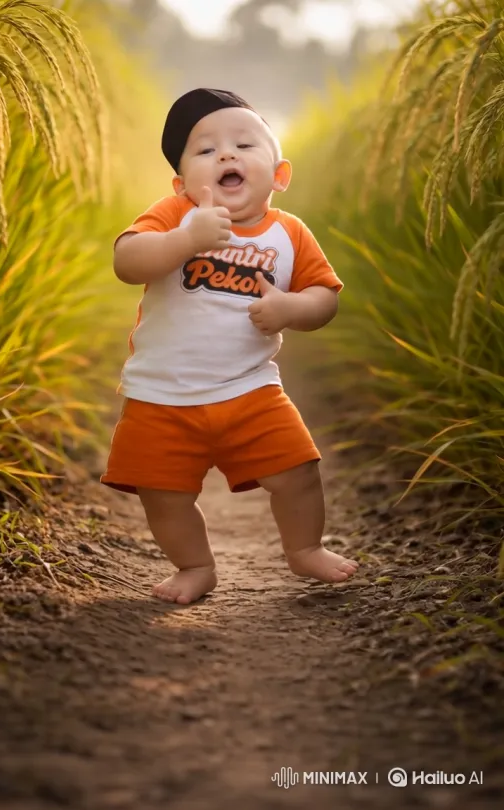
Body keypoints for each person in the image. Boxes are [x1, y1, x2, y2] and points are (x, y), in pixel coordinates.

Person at [101, 88, 359, 604]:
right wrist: (185, 240)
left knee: (299, 473)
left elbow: (324, 296)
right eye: (205, 150)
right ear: (182, 183)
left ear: (279, 174)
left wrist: (291, 308)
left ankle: (304, 548)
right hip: (161, 395)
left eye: (244, 144)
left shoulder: (290, 234)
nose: (226, 155)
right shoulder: (176, 216)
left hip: (250, 389)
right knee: (163, 495)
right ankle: (195, 566)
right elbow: (127, 261)